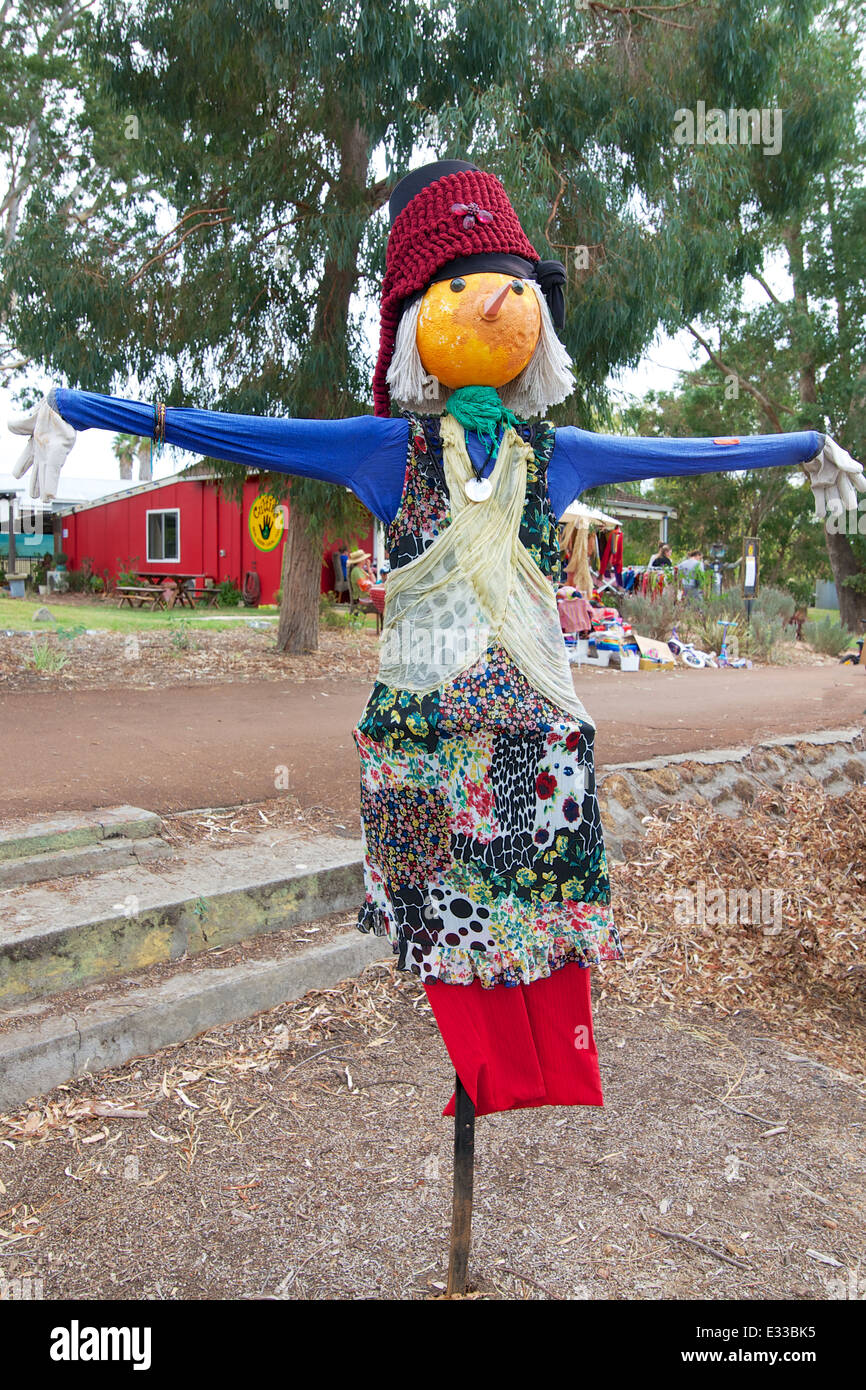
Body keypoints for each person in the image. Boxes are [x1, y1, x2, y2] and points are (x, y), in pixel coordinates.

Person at [9, 159, 865, 1121]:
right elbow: (242, 433)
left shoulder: (558, 455)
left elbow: (683, 456)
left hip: (536, 745)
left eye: (513, 284)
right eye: (462, 286)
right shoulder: (389, 452)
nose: (496, 301)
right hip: (422, 745)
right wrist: (89, 409)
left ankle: (545, 1078)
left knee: (542, 915)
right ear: (417, 319)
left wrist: (801, 447)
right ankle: (487, 1080)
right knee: (440, 921)